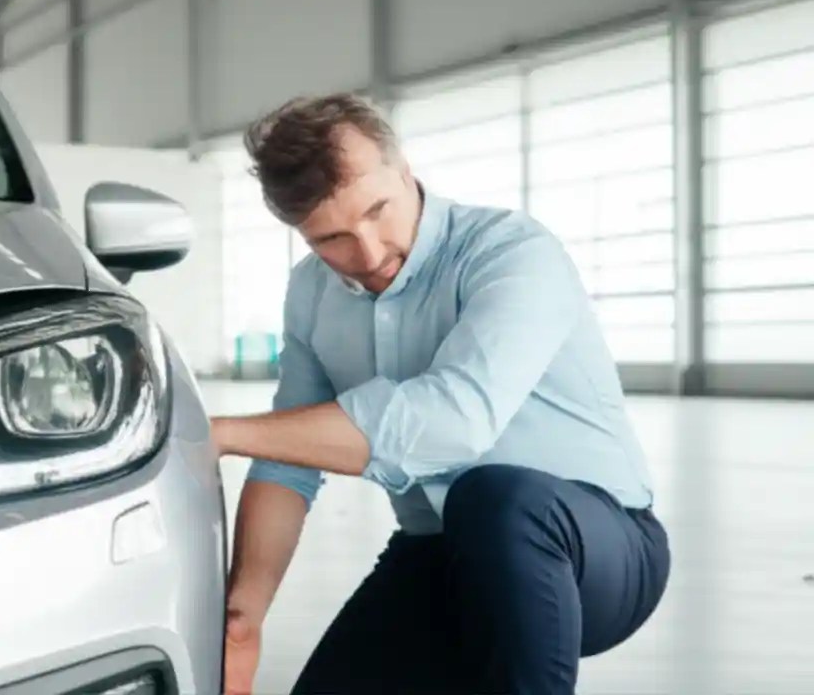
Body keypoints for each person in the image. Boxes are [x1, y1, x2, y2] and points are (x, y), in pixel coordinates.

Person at [211, 94, 671, 695]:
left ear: (406, 172)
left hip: (597, 550)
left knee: (497, 495)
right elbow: (287, 462)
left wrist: (222, 433)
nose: (370, 254)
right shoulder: (311, 295)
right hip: (443, 551)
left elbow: (457, 419)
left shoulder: (511, 251)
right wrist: (243, 622)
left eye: (379, 210)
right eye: (332, 239)